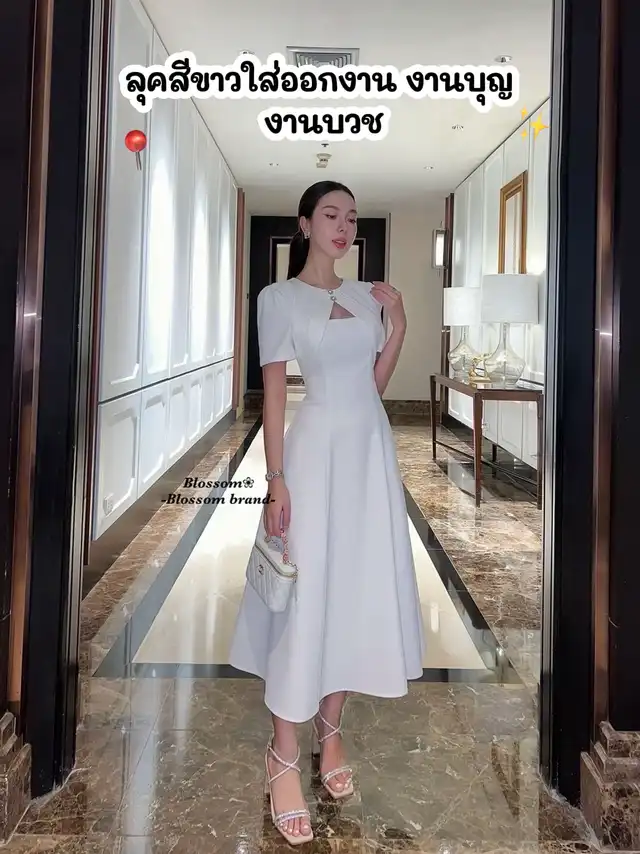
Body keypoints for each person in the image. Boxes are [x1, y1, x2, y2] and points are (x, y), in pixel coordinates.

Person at [229, 180, 425, 845]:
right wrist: (274, 479)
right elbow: (274, 396)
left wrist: (399, 328)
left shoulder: (368, 296)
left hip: (368, 455)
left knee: (351, 591)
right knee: (304, 595)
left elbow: (371, 387)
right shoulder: (278, 298)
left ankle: (330, 731)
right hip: (313, 456)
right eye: (331, 215)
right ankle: (283, 751)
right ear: (305, 224)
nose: (343, 226)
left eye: (351, 217)